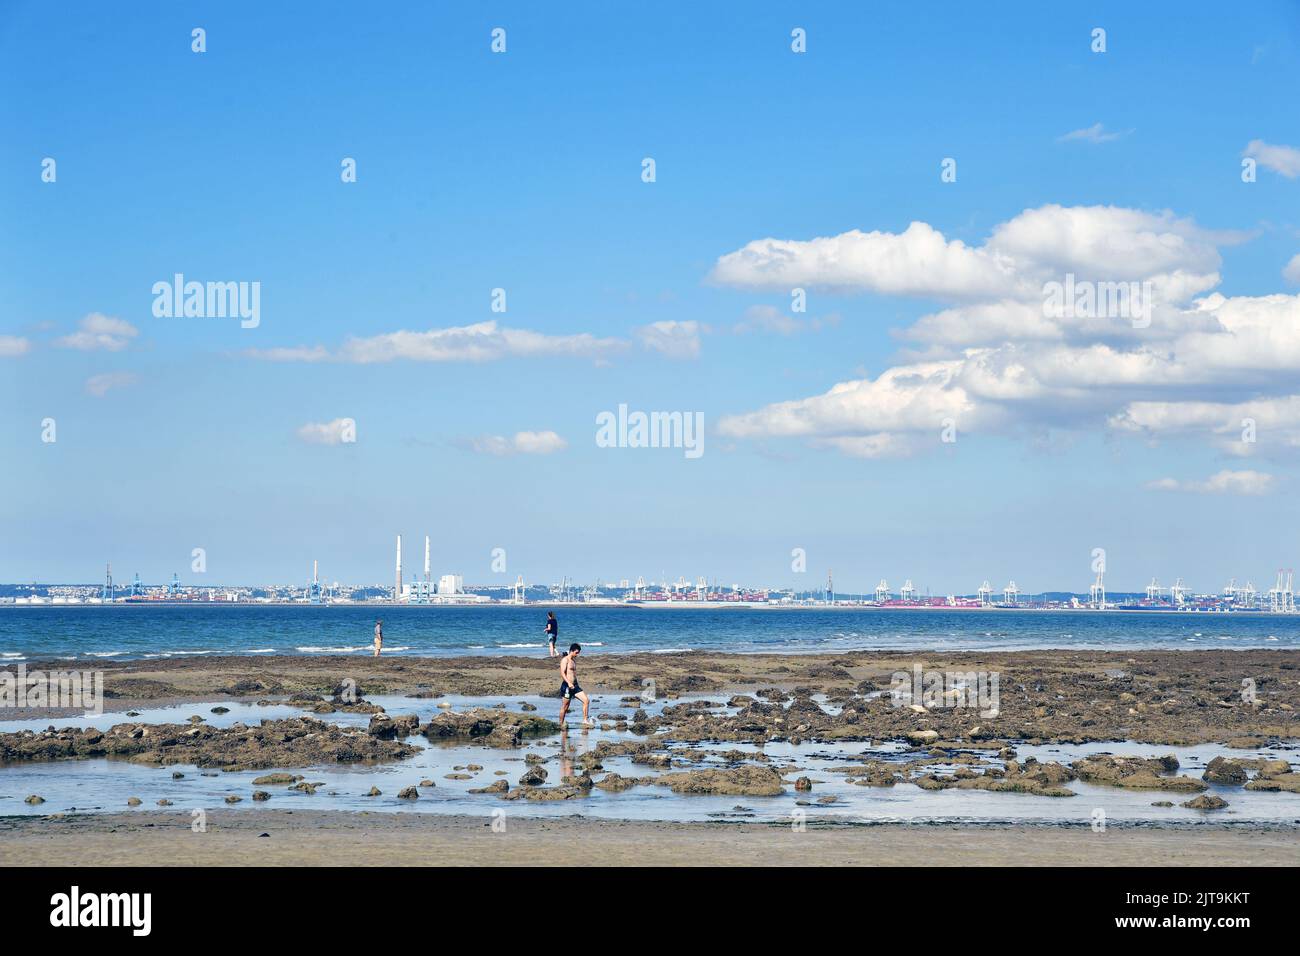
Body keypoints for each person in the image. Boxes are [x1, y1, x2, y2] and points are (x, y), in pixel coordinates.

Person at [558, 643, 592, 727]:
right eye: (576, 652)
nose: (577, 654)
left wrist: (574, 683)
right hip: (567, 686)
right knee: (565, 707)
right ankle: (561, 724)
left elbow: (573, 673)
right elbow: (562, 673)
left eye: (578, 652)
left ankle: (585, 720)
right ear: (571, 651)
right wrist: (569, 683)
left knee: (586, 700)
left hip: (575, 686)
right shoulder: (565, 660)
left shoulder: (573, 661)